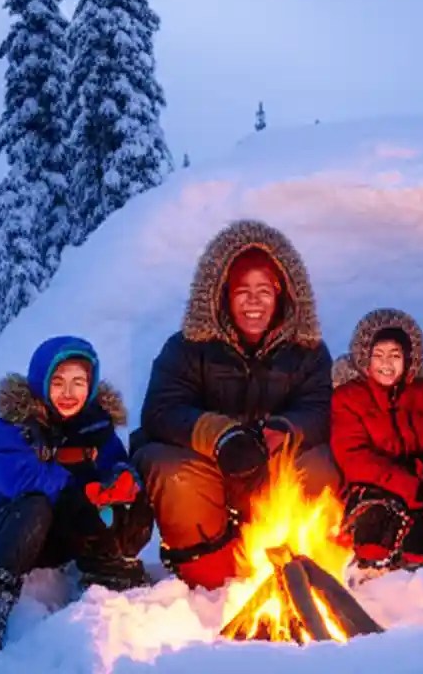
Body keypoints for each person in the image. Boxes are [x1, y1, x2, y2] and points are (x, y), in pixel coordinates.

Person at [135, 219, 340, 590]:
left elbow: (320, 409)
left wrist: (282, 431)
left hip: (271, 466)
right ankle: (208, 570)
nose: (254, 302)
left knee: (320, 465)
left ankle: (295, 563)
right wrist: (219, 435)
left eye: (264, 290)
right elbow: (161, 410)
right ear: (222, 294)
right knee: (168, 468)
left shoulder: (308, 352)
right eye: (242, 290)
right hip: (207, 465)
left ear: (283, 294)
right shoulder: (185, 348)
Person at [0, 336, 152, 657]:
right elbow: (19, 475)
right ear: (41, 382)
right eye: (58, 382)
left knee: (132, 496)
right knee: (36, 506)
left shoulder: (96, 425)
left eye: (79, 382)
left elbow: (115, 462)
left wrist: (121, 482)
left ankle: (106, 566)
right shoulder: (12, 427)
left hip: (68, 526)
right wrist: (77, 493)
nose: (69, 393)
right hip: (15, 529)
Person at [330, 308, 423, 577]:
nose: (386, 364)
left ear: (409, 359)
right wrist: (407, 485)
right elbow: (353, 456)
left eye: (395, 356)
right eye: (378, 355)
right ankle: (369, 575)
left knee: (418, 548)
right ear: (365, 358)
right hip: (373, 484)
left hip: (421, 483)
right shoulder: (348, 397)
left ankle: (419, 580)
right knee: (373, 540)